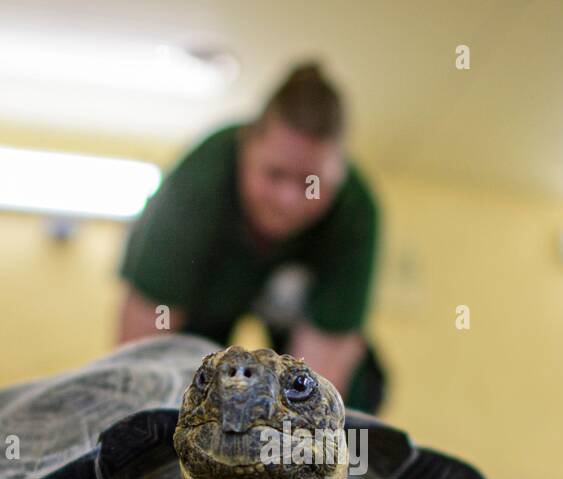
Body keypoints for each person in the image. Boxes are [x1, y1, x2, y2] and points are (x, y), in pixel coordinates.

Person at [117, 62, 386, 412]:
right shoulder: (201, 178)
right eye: (275, 174)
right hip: (200, 311)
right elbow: (144, 344)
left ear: (339, 172)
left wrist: (293, 445)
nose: (288, 200)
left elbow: (325, 363)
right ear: (245, 149)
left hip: (293, 318)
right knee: (188, 379)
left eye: (310, 183)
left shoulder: (355, 212)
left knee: (353, 391)